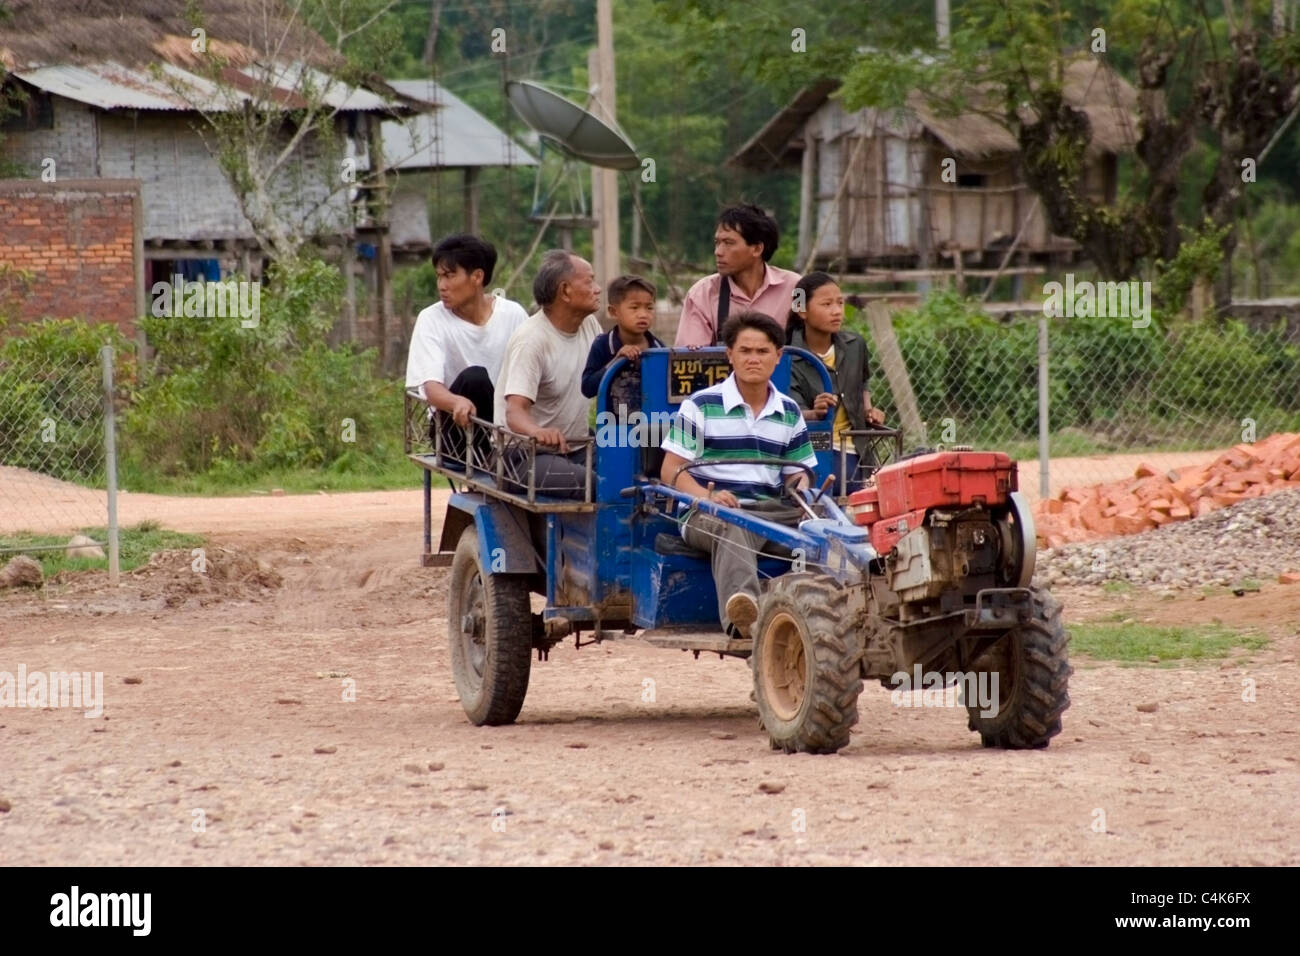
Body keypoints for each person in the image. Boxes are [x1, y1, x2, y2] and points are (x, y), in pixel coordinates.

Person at [660, 310, 818, 639]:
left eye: (762, 352)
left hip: (771, 512)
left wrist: (801, 488)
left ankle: (823, 618)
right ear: (729, 355)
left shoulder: (789, 411)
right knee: (734, 526)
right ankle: (746, 621)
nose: (753, 359)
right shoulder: (700, 404)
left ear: (778, 356)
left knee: (824, 535)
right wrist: (707, 496)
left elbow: (796, 475)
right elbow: (671, 470)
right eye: (744, 351)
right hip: (708, 513)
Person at [404, 234, 528, 465]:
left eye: (450, 276)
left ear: (477, 277)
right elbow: (431, 387)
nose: (442, 285)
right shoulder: (431, 319)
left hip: (508, 428)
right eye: (439, 276)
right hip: (455, 433)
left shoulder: (513, 314)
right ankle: (494, 456)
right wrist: (454, 402)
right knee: (475, 377)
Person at [494, 249, 602, 498]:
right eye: (590, 282)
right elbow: (515, 412)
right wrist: (537, 432)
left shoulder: (589, 325)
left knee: (635, 476)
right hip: (524, 455)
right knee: (597, 486)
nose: (597, 289)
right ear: (565, 291)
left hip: (577, 447)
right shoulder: (532, 340)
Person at [785, 272, 887, 493]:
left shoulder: (855, 345)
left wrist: (869, 410)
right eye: (827, 304)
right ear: (801, 309)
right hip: (812, 450)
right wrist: (815, 412)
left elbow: (862, 384)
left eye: (840, 303)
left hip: (856, 449)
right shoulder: (787, 355)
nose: (837, 311)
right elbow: (788, 410)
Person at [674, 203, 801, 347]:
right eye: (717, 243)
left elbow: (809, 343)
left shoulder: (797, 289)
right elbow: (689, 359)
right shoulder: (701, 295)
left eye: (728, 243)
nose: (718, 252)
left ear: (757, 249)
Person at [581, 274, 666, 414]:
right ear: (614, 312)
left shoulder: (658, 348)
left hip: (652, 428)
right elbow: (588, 388)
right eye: (634, 308)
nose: (643, 314)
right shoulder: (603, 345)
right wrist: (616, 361)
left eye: (649, 308)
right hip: (613, 430)